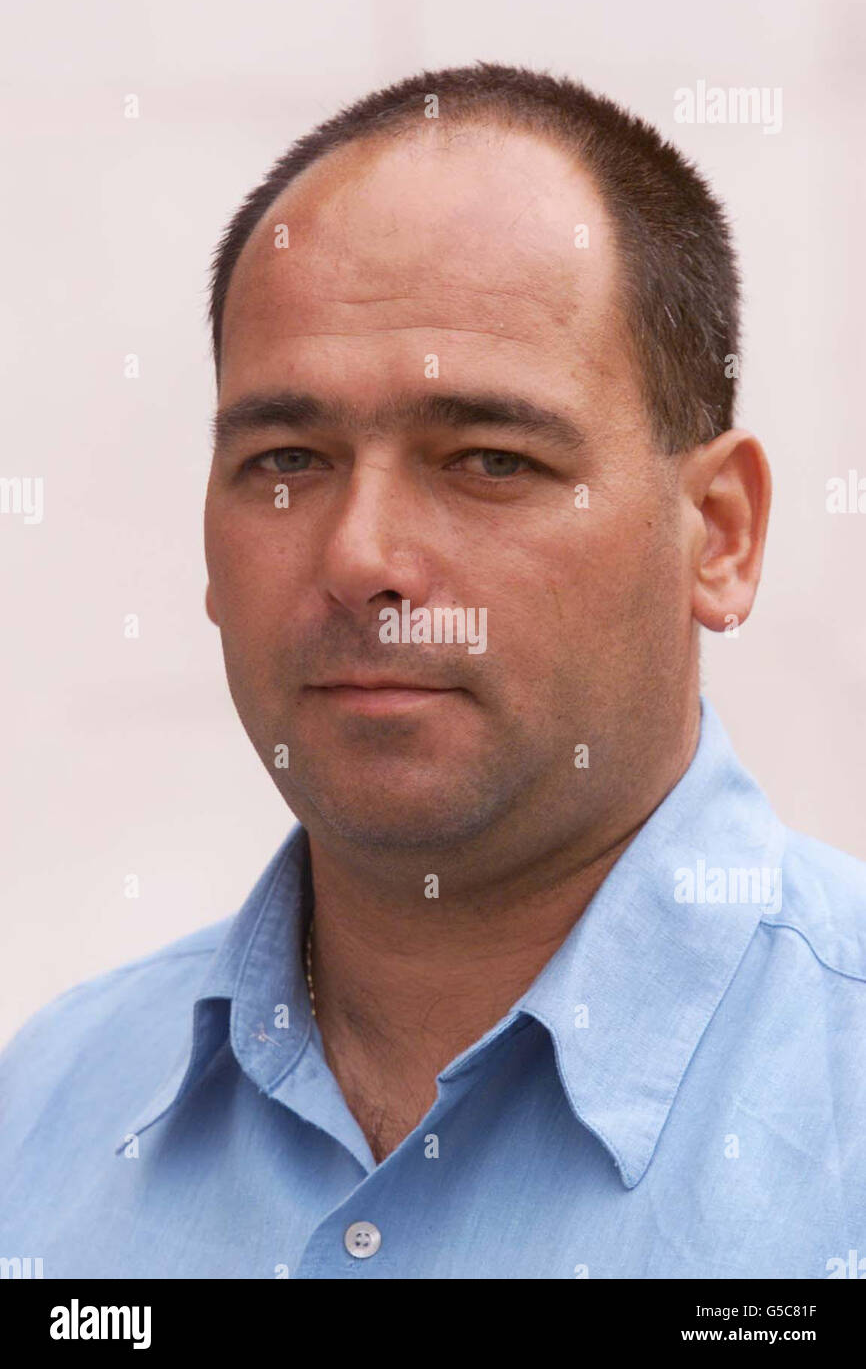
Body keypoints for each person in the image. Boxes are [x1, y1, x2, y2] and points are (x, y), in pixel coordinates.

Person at [2, 62, 864, 1281]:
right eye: (287, 459)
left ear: (716, 534)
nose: (359, 558)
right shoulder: (49, 1116)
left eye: (488, 460)